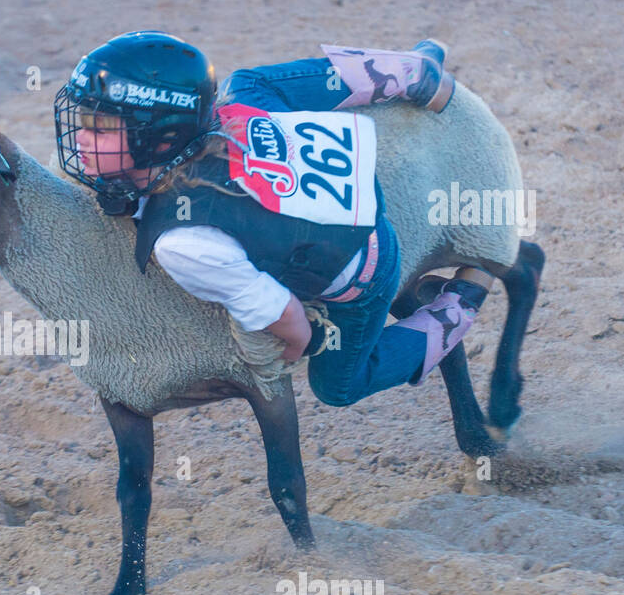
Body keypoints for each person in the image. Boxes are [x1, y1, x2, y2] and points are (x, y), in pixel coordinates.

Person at [52, 31, 493, 405]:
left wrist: (294, 350)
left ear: (159, 137)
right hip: (353, 184)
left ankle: (460, 304)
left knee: (338, 388)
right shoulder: (229, 113)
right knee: (248, 85)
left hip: (369, 263)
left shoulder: (181, 242)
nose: (82, 140)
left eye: (101, 129)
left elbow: (288, 320)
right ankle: (410, 73)